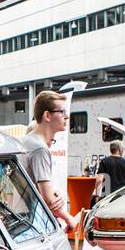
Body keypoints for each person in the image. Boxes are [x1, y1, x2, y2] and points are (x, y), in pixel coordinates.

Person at [19, 90, 78, 233]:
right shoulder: (39, 148)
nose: (66, 116)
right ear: (47, 115)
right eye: (62, 112)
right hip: (30, 222)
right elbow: (48, 198)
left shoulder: (28, 141)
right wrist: (69, 218)